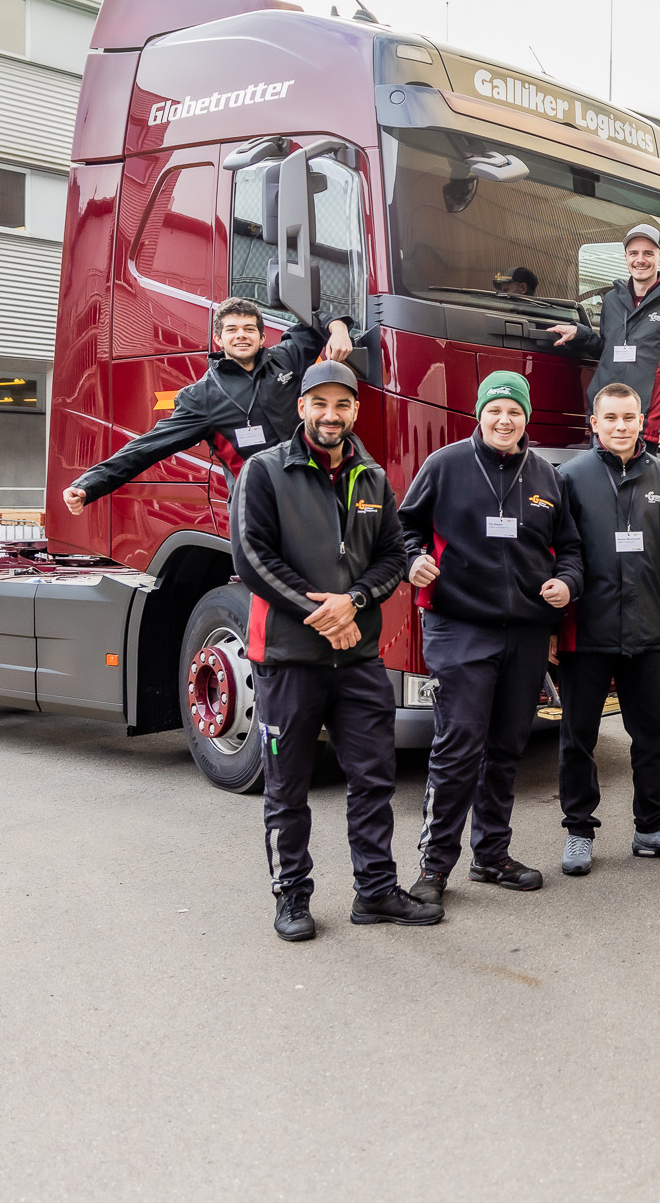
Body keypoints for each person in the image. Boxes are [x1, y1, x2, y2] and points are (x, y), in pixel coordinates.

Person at [229, 360, 437, 940]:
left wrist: (357, 600)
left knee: (373, 780)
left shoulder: (372, 477)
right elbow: (250, 557)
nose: (330, 415)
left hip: (359, 661)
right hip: (290, 662)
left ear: (355, 411)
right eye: (319, 403)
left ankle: (375, 891)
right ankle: (291, 896)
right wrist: (323, 614)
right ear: (301, 408)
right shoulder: (264, 472)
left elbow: (395, 556)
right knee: (287, 786)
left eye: (341, 404)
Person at [398, 371, 585, 909]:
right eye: (495, 410)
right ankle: (434, 866)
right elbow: (404, 526)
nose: (504, 421)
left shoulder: (547, 477)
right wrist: (414, 560)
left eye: (514, 412)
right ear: (479, 414)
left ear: (526, 418)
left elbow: (569, 548)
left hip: (525, 631)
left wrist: (566, 584)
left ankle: (492, 855)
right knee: (458, 747)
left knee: (507, 748)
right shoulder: (446, 465)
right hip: (460, 626)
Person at [552, 383, 660, 874]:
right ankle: (578, 830)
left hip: (650, 633)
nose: (620, 426)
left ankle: (651, 826)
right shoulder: (569, 479)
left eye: (629, 417)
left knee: (655, 734)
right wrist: (554, 630)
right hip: (585, 633)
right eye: (610, 417)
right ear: (593, 423)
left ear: (644, 422)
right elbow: (556, 556)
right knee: (579, 736)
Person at [63, 296, 352, 514]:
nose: (241, 335)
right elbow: (145, 449)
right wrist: (88, 486)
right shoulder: (202, 397)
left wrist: (338, 329)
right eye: (232, 330)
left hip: (315, 495)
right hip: (260, 509)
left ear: (263, 337)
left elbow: (313, 321)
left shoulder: (285, 359)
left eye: (249, 329)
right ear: (218, 339)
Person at [547, 224, 660, 452]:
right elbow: (608, 352)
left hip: (646, 427)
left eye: (648, 253)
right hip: (605, 422)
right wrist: (580, 334)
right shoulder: (612, 300)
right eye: (634, 253)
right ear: (626, 258)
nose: (640, 260)